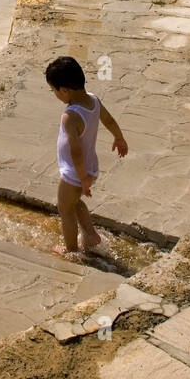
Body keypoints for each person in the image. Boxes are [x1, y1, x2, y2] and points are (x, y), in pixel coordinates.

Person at [45, 55, 128, 259]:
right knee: (74, 202)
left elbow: (76, 151)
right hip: (91, 167)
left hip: (75, 172)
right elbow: (109, 120)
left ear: (64, 90)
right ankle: (90, 234)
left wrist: (82, 179)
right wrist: (119, 138)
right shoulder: (94, 100)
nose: (55, 94)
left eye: (53, 90)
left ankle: (71, 249)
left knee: (64, 209)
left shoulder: (70, 116)